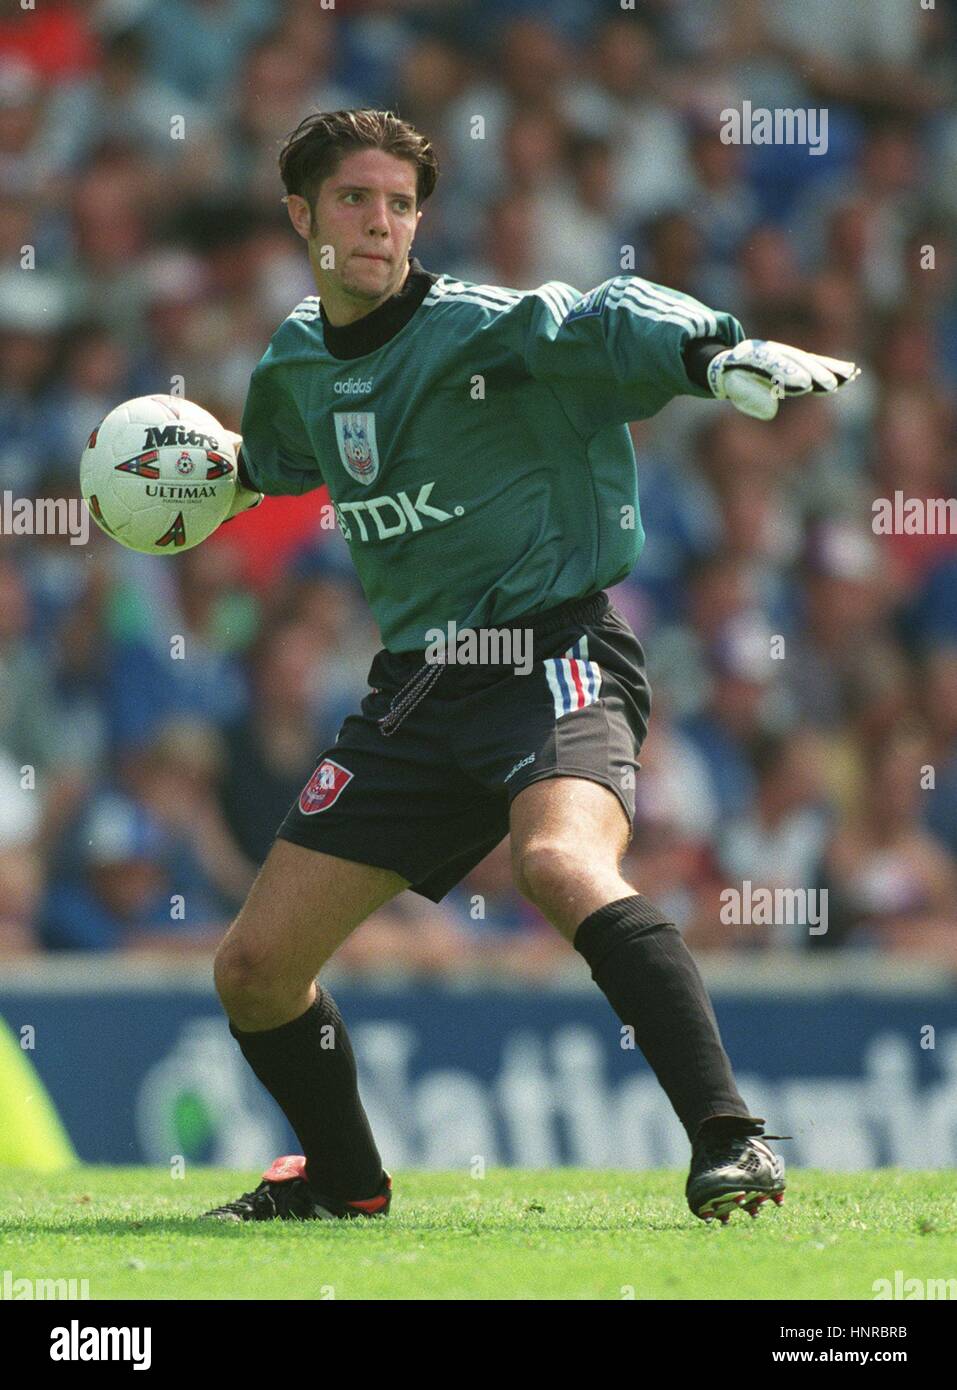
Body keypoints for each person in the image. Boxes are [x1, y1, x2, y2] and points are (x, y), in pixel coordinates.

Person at [206, 109, 859, 1225]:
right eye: (355, 200)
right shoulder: (296, 359)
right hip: (414, 690)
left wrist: (715, 349)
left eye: (400, 203)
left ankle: (730, 1138)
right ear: (300, 216)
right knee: (255, 969)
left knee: (558, 863)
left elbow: (603, 317)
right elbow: (265, 462)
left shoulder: (483, 330)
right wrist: (175, 480)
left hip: (554, 651)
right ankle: (346, 1184)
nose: (380, 223)